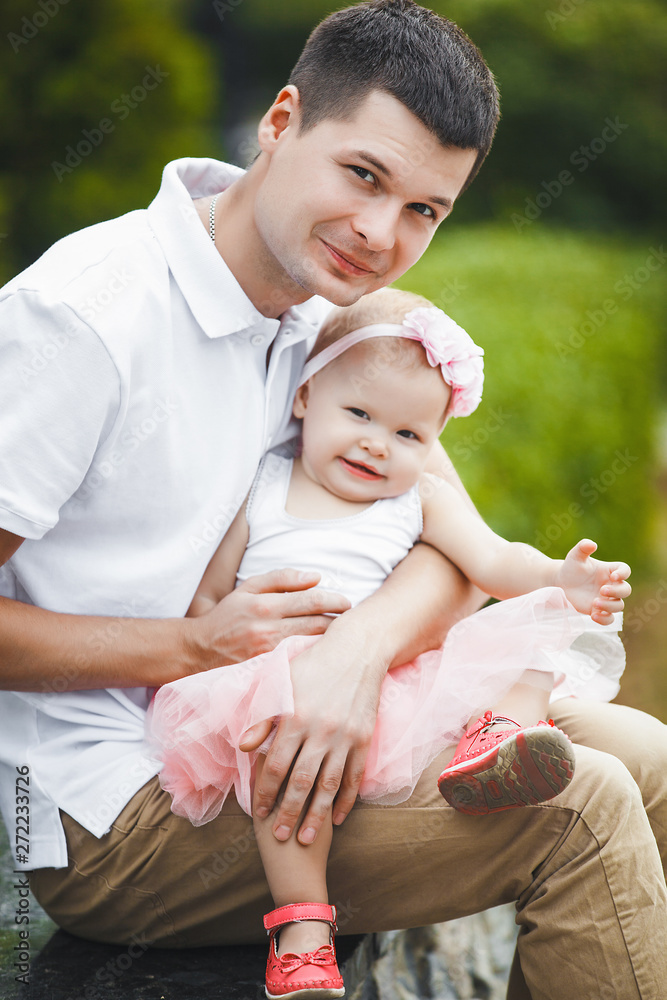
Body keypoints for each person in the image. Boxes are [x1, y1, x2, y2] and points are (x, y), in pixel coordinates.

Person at [0, 2, 664, 999]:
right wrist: (195, 647)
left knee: (650, 756)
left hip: (314, 723)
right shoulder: (86, 321)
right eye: (363, 174)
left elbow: (445, 544)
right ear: (280, 121)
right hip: (113, 806)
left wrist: (352, 657)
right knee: (582, 811)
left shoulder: (332, 317)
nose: (378, 233)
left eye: (423, 211)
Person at [146, 287, 631, 998]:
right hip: (282, 677)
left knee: (537, 631)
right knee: (285, 779)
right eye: (360, 415)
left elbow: (494, 564)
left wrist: (563, 575)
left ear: (433, 445)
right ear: (306, 398)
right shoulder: (261, 487)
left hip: (390, 678)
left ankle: (500, 735)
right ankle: (302, 930)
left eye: (409, 436)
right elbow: (212, 598)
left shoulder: (418, 499)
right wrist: (219, 641)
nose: (378, 443)